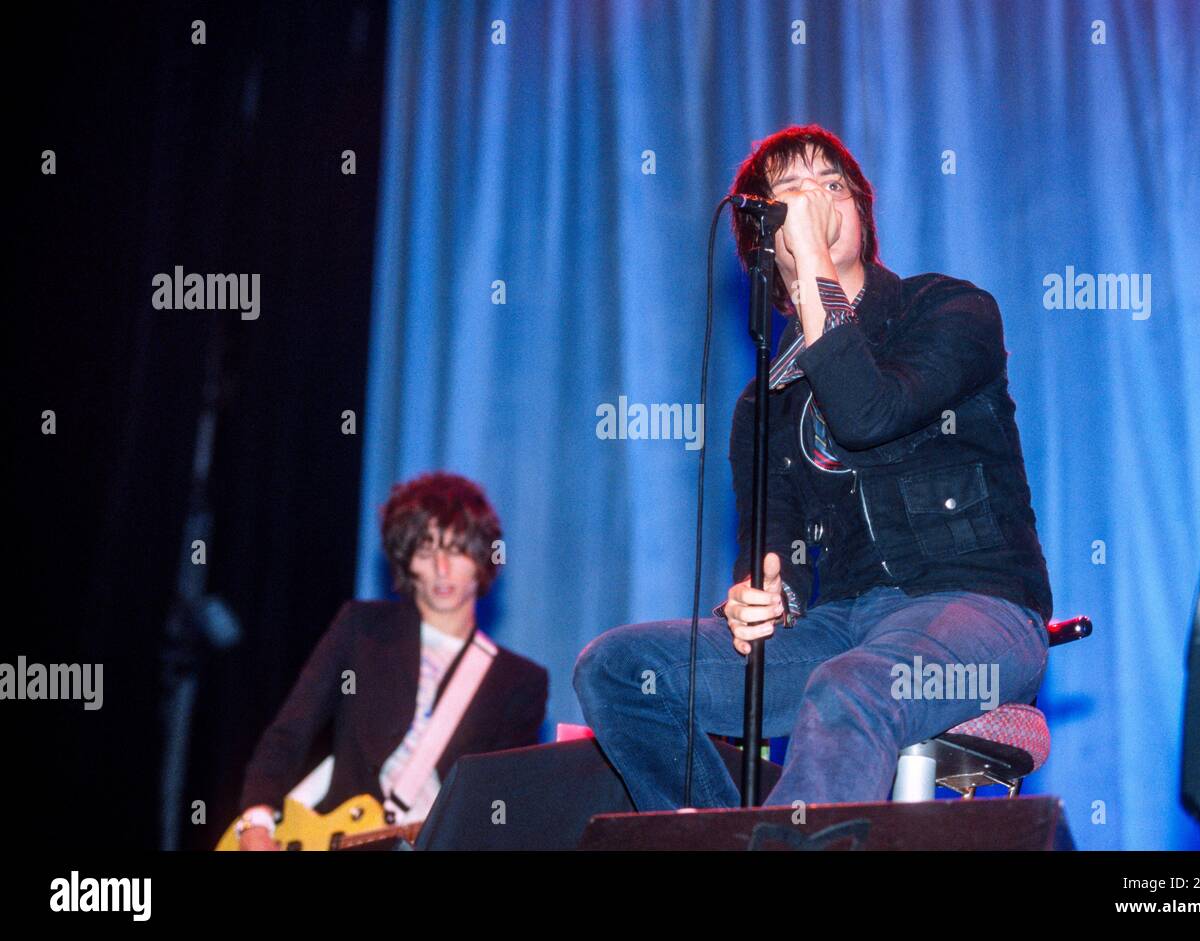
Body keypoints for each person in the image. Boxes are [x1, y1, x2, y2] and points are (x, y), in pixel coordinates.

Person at [573, 124, 1053, 811]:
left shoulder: (949, 309)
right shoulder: (762, 405)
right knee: (617, 668)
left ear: (860, 214)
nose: (819, 200)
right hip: (842, 625)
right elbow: (778, 558)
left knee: (852, 683)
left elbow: (869, 411)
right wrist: (762, 598)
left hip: (975, 607)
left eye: (835, 187)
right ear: (763, 236)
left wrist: (814, 270)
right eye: (793, 191)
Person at [235, 471, 547, 850]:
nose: (442, 570)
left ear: (482, 559)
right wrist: (256, 822)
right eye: (426, 551)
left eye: (455, 549)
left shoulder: (518, 682)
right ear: (407, 562)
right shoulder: (361, 629)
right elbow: (289, 734)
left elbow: (502, 809)